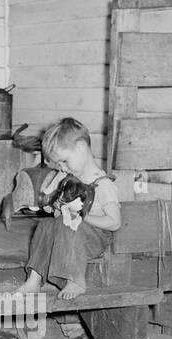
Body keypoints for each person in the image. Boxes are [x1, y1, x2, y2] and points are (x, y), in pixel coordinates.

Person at [18, 117, 122, 300]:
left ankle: (75, 280)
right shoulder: (70, 178)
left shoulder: (102, 184)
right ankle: (34, 279)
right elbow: (53, 199)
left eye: (64, 161)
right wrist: (55, 207)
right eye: (59, 165)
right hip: (72, 232)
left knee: (69, 226)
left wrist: (82, 216)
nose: (62, 168)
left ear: (81, 147)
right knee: (46, 226)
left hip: (95, 235)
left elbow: (114, 223)